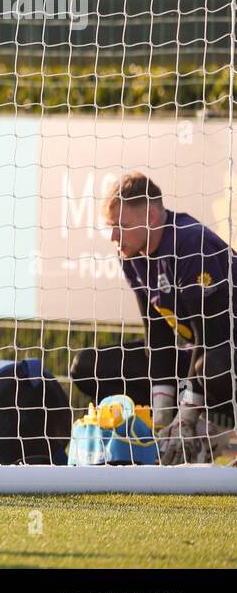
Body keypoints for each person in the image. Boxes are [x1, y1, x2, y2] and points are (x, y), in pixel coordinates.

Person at [72, 172, 236, 463]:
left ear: (149, 215)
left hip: (221, 352)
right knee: (87, 366)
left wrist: (187, 409)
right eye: (109, 227)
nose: (112, 236)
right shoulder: (132, 255)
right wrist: (161, 417)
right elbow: (158, 337)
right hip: (198, 356)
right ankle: (155, 437)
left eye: (120, 225)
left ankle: (210, 431)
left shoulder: (190, 243)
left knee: (211, 367)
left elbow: (212, 336)